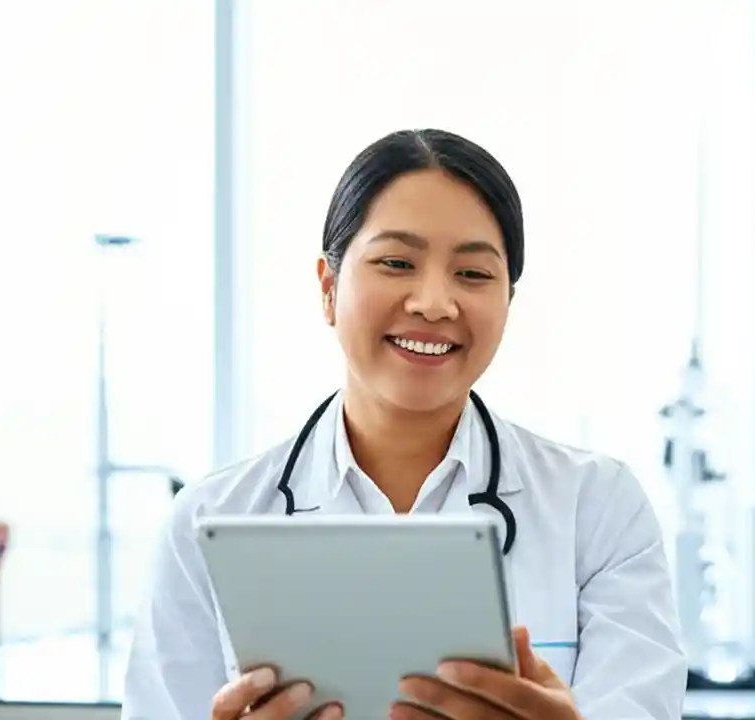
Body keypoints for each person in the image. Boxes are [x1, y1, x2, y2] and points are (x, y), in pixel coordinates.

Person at [121, 129, 686, 720]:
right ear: (328, 286)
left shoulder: (597, 509)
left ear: (507, 304)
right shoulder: (207, 522)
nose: (435, 302)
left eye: (473, 274)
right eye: (396, 262)